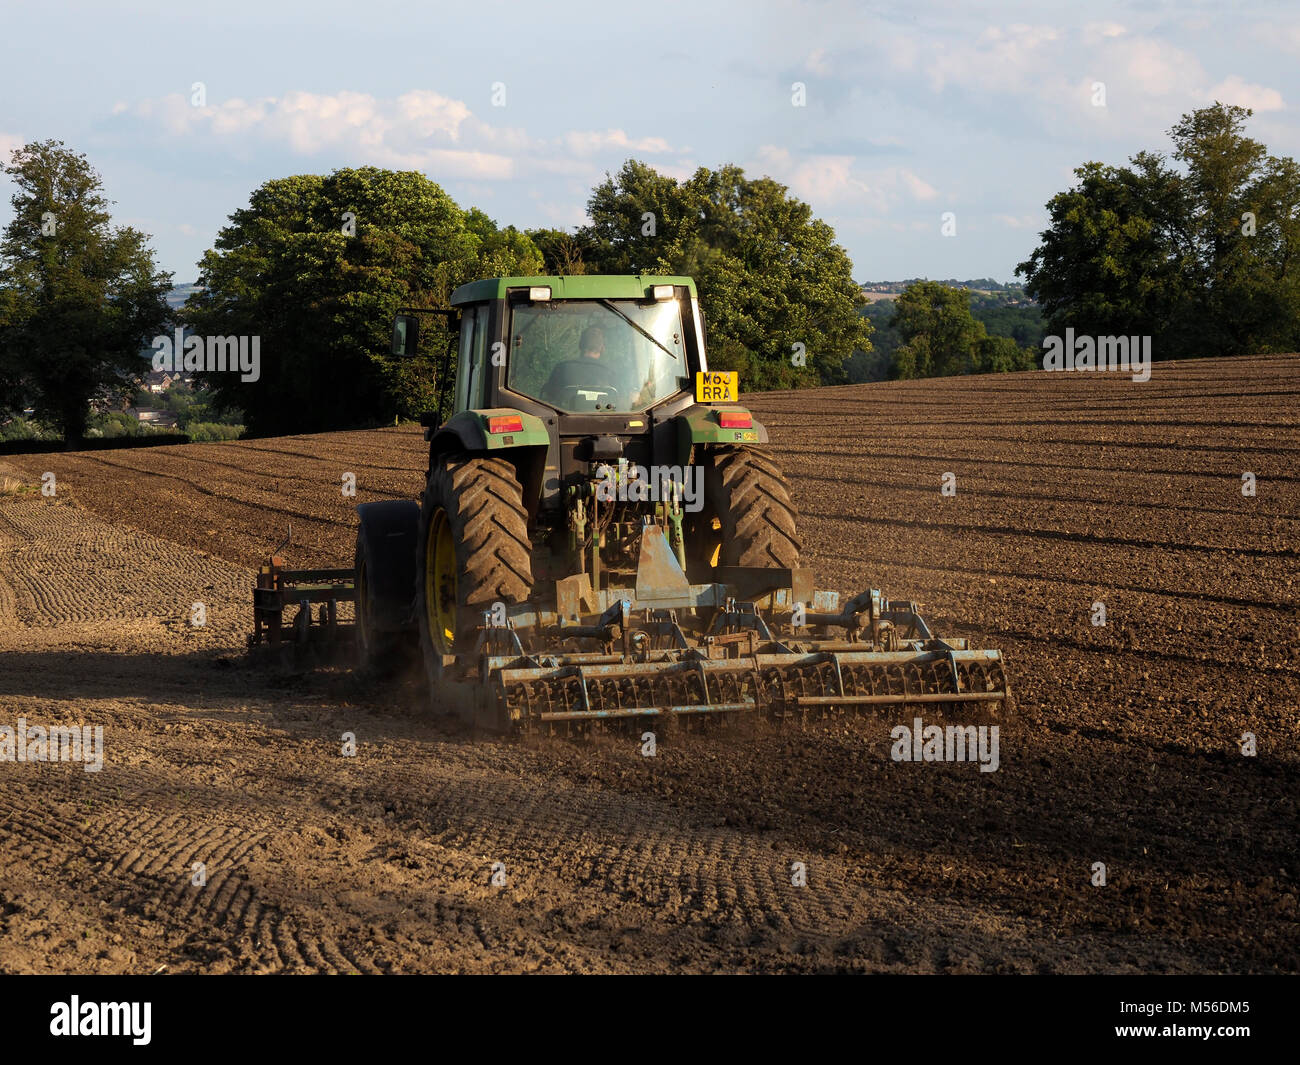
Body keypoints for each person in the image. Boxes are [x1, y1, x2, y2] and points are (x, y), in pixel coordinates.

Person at [541, 325, 635, 407]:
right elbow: (621, 404)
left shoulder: (562, 368)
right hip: (604, 421)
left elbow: (548, 398)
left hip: (565, 422)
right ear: (602, 349)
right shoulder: (612, 372)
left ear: (580, 345)